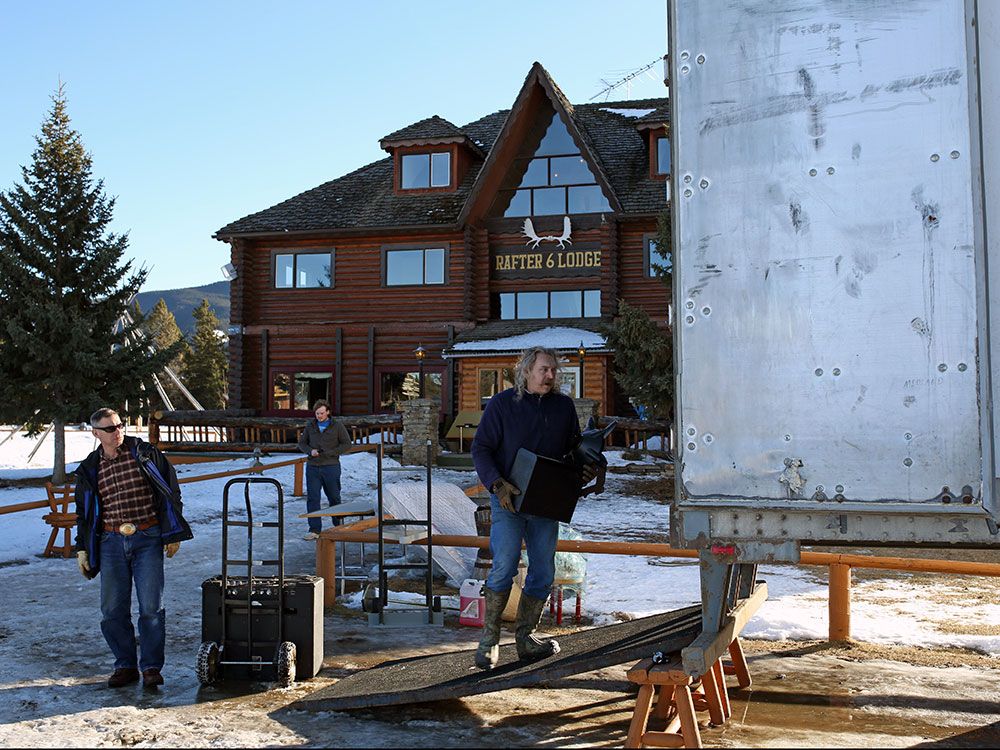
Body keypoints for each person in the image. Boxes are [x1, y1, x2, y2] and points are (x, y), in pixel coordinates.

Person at [471, 346, 598, 670]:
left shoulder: (563, 407)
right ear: (526, 370)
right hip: (508, 501)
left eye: (554, 370)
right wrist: (496, 484)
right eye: (544, 369)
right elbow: (481, 448)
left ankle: (526, 639)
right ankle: (489, 641)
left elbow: (573, 450)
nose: (551, 375)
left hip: (546, 502)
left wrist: (585, 466)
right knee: (504, 564)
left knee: (543, 571)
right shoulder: (502, 405)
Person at [74, 408, 193, 689]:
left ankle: (151, 666)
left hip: (147, 537)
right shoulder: (90, 468)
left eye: (119, 426)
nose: (118, 432)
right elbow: (85, 513)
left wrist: (171, 531)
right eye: (110, 429)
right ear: (96, 433)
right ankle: (125, 665)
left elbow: (170, 490)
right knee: (112, 609)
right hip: (111, 542)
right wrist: (83, 548)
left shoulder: (145, 453)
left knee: (151, 607)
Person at [297, 399, 352, 541]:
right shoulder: (310, 426)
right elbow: (302, 443)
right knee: (313, 498)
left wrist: (332, 452)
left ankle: (338, 526)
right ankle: (314, 529)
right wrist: (310, 451)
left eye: (322, 413)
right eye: (317, 413)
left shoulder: (337, 426)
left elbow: (347, 444)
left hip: (331, 466)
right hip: (313, 467)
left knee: (334, 497)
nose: (319, 416)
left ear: (328, 412)